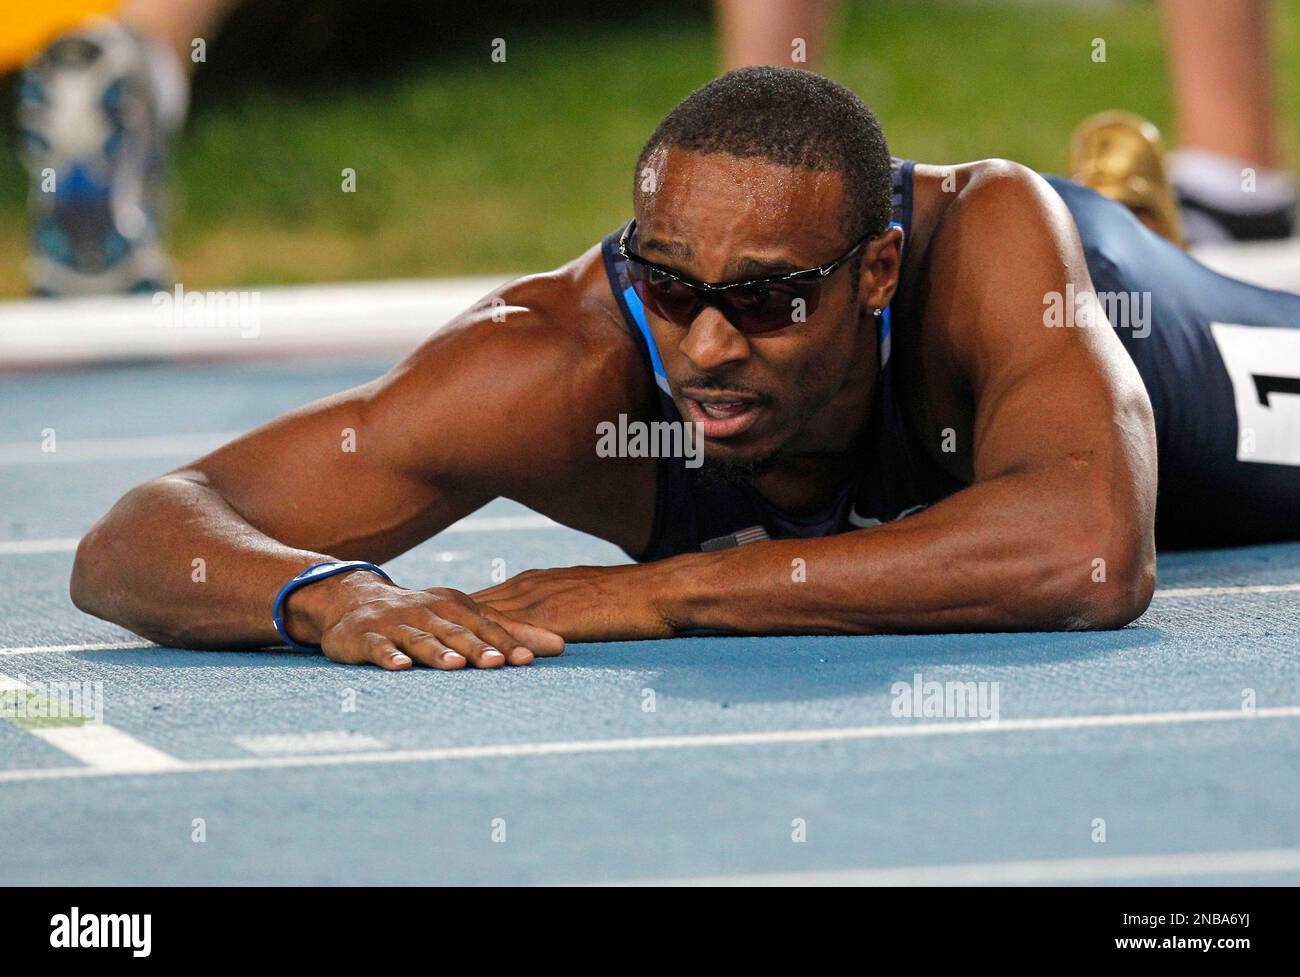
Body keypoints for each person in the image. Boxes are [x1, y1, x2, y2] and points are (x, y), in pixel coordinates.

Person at [70, 68, 1300, 670]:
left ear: (874, 274)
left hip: (1162, 354)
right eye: (672, 287)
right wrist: (327, 595)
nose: (706, 347)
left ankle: (1147, 239)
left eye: (766, 299)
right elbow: (139, 536)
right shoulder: (558, 362)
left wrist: (656, 593)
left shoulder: (981, 244)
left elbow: (1086, 550)